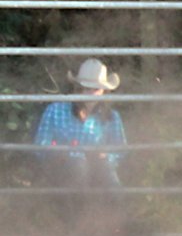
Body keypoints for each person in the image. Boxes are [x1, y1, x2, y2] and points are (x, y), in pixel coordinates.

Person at [33, 58, 127, 189]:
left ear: (103, 92)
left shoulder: (112, 117)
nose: (89, 94)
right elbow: (41, 145)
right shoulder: (55, 110)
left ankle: (115, 207)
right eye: (86, 88)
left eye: (95, 89)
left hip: (98, 169)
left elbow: (119, 149)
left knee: (111, 183)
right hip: (60, 170)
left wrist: (106, 157)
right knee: (78, 167)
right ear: (78, 89)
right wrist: (60, 153)